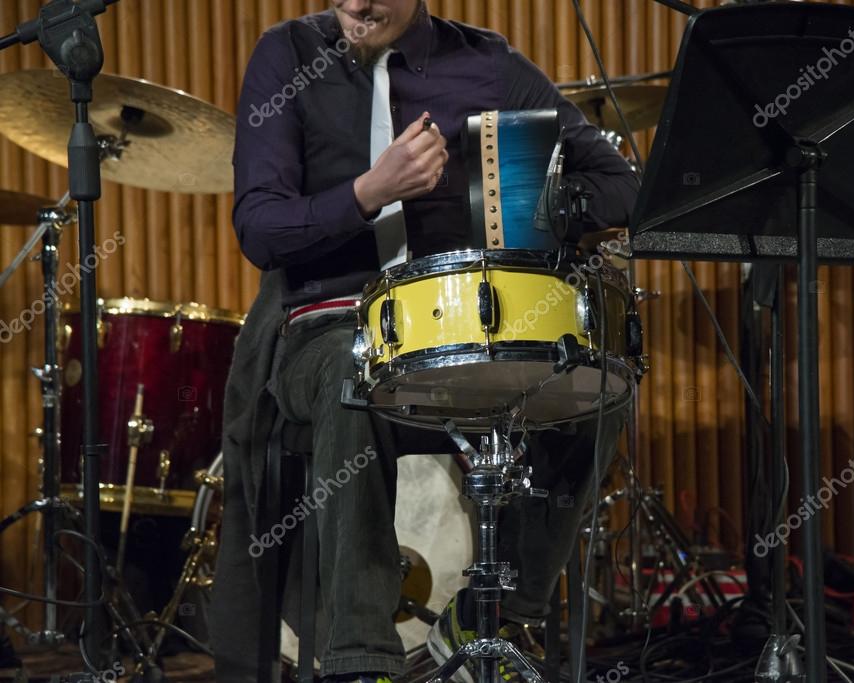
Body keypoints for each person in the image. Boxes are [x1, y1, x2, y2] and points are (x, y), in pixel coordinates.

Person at [209, 1, 640, 681]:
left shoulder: (489, 65)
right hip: (324, 323)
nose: (355, 4)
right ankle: (360, 656)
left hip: (459, 325)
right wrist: (368, 191)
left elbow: (622, 189)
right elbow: (260, 227)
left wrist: (536, 197)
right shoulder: (287, 56)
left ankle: (497, 610)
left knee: (597, 386)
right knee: (354, 378)